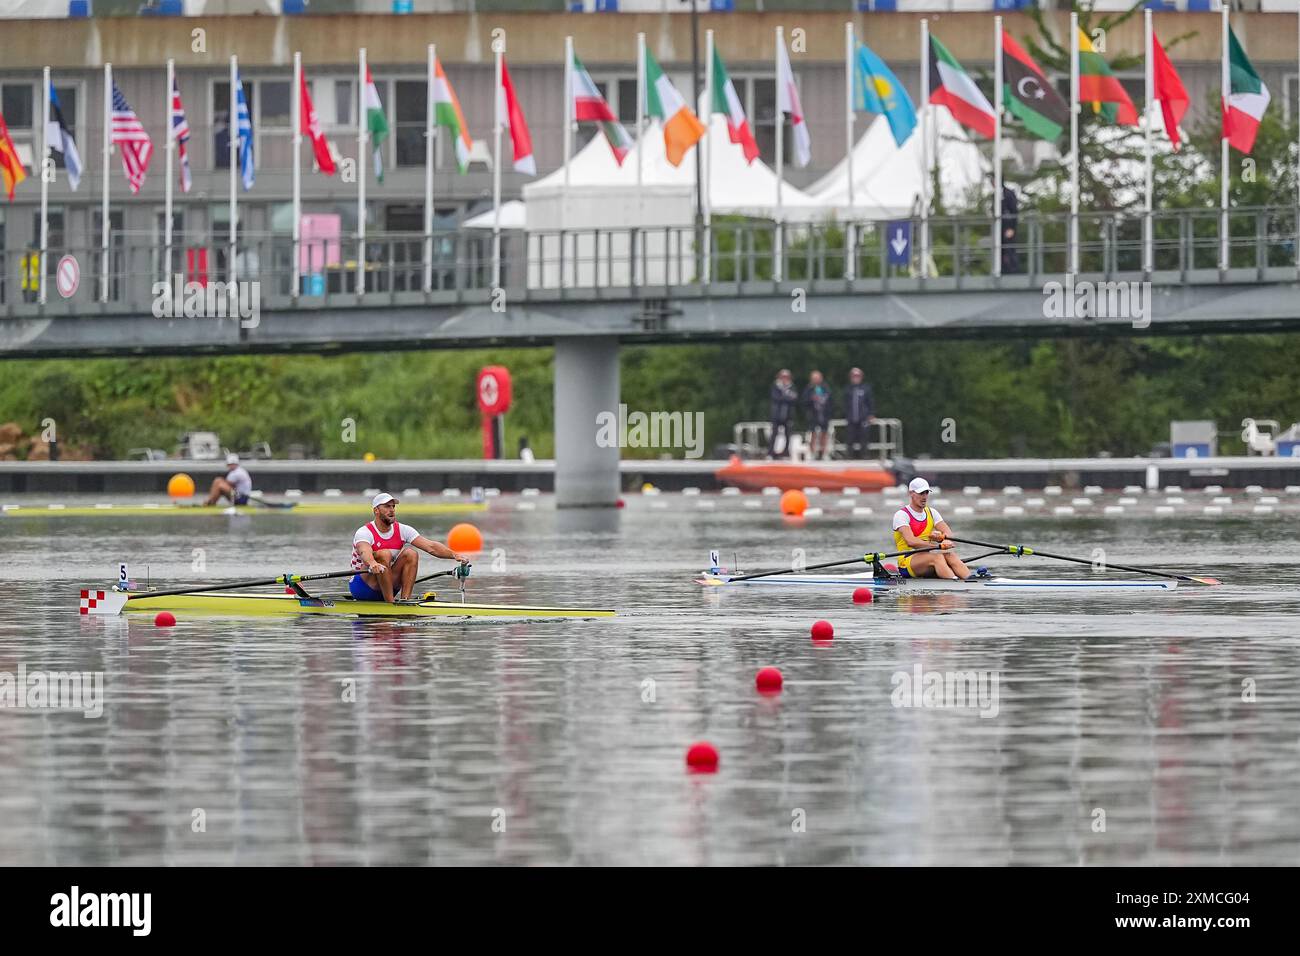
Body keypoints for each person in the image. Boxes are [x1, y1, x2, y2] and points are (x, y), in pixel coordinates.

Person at [350, 493, 470, 603]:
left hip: (386, 584)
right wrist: (372, 563)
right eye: (387, 506)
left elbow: (431, 546)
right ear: (376, 510)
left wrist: (455, 555)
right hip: (363, 587)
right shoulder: (364, 532)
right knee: (384, 554)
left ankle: (405, 601)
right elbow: (364, 551)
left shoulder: (403, 530)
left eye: (393, 506)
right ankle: (390, 604)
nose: (392, 510)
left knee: (411, 553)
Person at [891, 477, 974, 581]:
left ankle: (970, 579)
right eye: (921, 493)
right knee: (937, 557)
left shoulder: (932, 512)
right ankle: (953, 581)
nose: (924, 497)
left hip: (927, 557)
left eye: (926, 493)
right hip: (906, 561)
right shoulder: (901, 515)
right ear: (911, 493)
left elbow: (948, 533)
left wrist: (943, 540)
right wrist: (938, 545)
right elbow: (911, 541)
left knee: (949, 554)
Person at [843, 368, 875, 459]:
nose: (855, 378)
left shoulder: (866, 388)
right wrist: (846, 413)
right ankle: (849, 455)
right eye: (854, 376)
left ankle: (864, 455)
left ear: (861, 377)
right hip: (851, 417)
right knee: (850, 437)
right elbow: (845, 403)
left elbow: (870, 402)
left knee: (864, 437)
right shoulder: (848, 389)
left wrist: (871, 414)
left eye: (857, 376)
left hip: (863, 417)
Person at [802, 370, 832, 460]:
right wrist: (812, 399)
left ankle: (823, 453)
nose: (816, 380)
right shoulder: (809, 388)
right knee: (813, 433)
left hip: (824, 413)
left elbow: (830, 400)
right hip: (813, 414)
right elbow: (804, 401)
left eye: (817, 378)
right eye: (814, 378)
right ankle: (811, 453)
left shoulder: (825, 388)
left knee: (824, 433)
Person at [769, 369, 798, 460]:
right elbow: (776, 398)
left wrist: (785, 397)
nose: (784, 379)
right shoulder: (776, 386)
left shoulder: (792, 387)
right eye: (783, 377)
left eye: (786, 377)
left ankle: (786, 452)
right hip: (777, 414)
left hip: (788, 414)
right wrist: (787, 397)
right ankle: (771, 452)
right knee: (774, 433)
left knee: (788, 434)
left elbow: (795, 398)